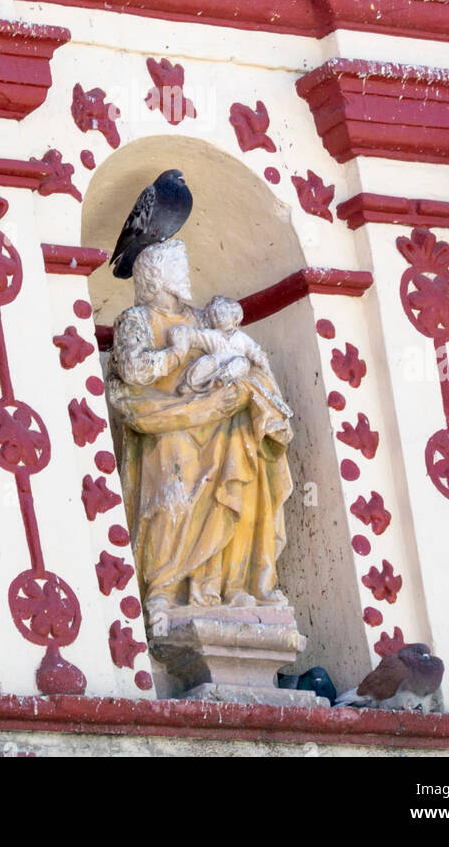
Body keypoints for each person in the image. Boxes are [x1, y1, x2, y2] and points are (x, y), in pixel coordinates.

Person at [106, 239, 293, 634]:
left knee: (235, 482)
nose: (187, 276)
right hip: (166, 426)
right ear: (158, 276)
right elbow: (134, 371)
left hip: (219, 421)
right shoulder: (135, 320)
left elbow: (235, 350)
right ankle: (164, 588)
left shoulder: (201, 318)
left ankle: (224, 586)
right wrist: (177, 354)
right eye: (180, 269)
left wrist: (242, 377)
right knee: (171, 501)